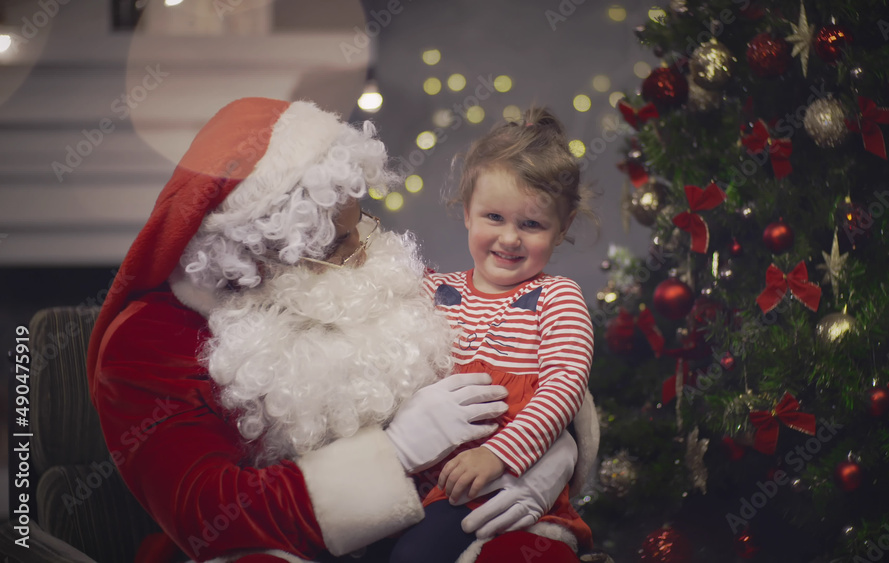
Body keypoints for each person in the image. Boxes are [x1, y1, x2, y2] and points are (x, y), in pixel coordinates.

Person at [86, 97, 598, 563]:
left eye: (362, 223)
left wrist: (554, 458)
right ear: (263, 256)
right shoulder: (149, 344)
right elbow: (211, 517)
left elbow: (535, 361)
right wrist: (395, 454)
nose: (363, 253)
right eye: (337, 244)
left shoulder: (363, 275)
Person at [391, 108, 597, 563]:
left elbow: (563, 388)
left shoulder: (556, 297)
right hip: (419, 482)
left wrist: (499, 456)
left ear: (561, 229)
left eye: (531, 224)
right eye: (494, 217)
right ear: (466, 213)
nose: (509, 238)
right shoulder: (432, 290)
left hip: (500, 485)